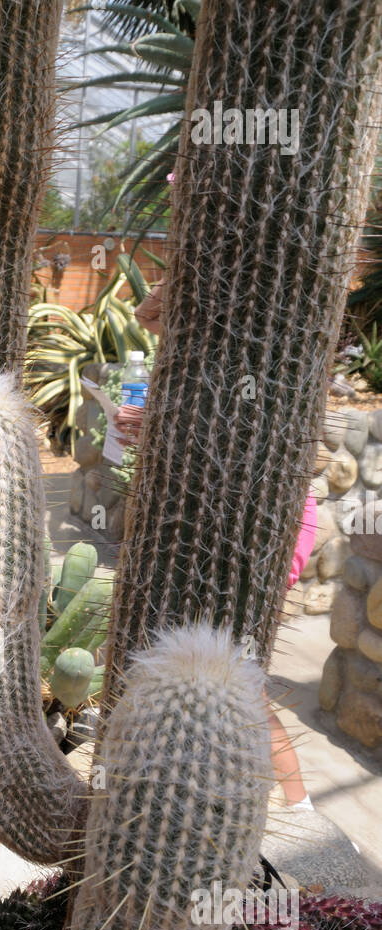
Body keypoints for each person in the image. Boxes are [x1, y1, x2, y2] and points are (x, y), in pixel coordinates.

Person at [114, 280, 316, 809]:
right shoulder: (192, 349)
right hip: (215, 525)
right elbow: (148, 312)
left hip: (269, 524)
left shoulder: (266, 360)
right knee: (202, 664)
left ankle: (301, 809)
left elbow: (233, 452)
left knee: (241, 677)